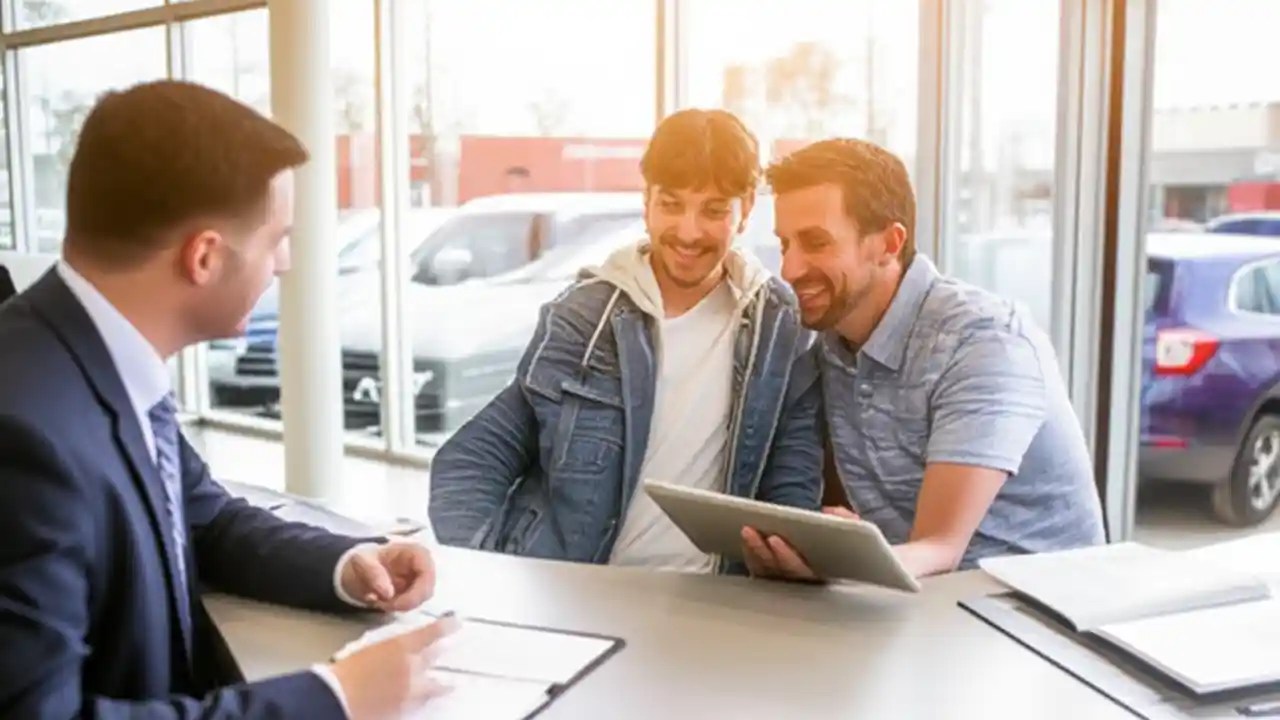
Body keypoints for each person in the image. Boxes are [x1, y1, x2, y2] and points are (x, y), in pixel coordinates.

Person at [0, 81, 451, 720]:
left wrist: (349, 565)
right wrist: (335, 698)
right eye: (277, 239)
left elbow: (202, 516)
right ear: (205, 256)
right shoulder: (26, 433)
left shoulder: (85, 358)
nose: (286, 262)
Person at [428, 109, 822, 572]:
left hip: (711, 603)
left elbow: (791, 488)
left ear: (746, 210)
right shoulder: (583, 316)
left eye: (714, 210)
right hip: (583, 590)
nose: (689, 232)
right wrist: (496, 576)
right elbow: (469, 463)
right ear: (647, 203)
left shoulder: (778, 326)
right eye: (671, 205)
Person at [743, 138, 1105, 581]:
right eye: (785, 245)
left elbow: (939, 549)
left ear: (889, 243)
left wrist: (844, 558)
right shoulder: (830, 346)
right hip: (928, 608)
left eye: (816, 243)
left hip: (1033, 615)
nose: (791, 269)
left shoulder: (984, 343)